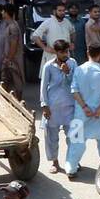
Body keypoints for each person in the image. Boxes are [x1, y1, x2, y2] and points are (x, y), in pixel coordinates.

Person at [65, 44, 100, 179]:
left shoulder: (79, 70)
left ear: (87, 52)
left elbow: (74, 90)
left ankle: (71, 168)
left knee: (76, 141)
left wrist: (85, 107)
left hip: (81, 112)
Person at [39, 40, 77, 174]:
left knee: (73, 135)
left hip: (69, 105)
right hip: (53, 106)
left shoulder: (72, 63)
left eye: (67, 51)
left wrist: (68, 73)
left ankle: (73, 161)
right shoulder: (48, 66)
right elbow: (43, 87)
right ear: (56, 52)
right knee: (51, 136)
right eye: (62, 52)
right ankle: (55, 162)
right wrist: (45, 106)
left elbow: (76, 83)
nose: (65, 54)